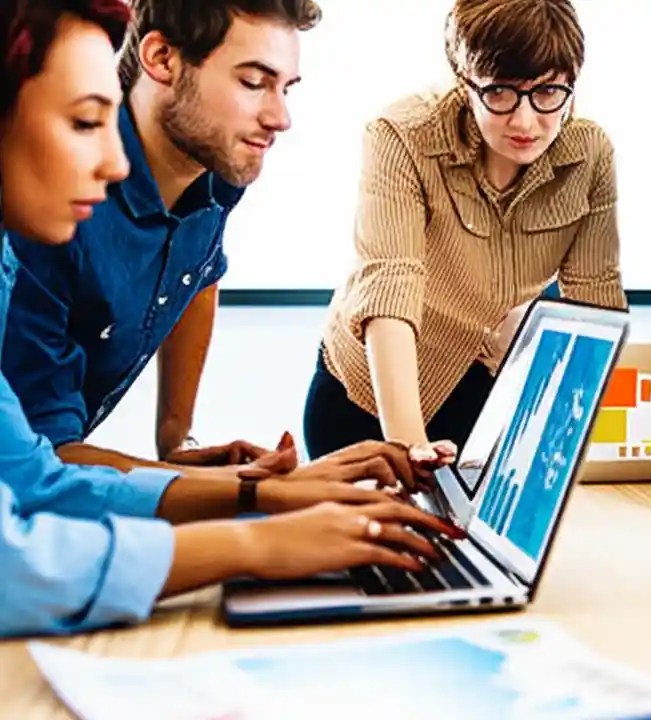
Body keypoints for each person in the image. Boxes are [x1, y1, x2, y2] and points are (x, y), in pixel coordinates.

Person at [0, 0, 462, 638]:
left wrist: (210, 463)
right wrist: (258, 534)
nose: (113, 162)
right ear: (160, 59)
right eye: (85, 121)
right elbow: (22, 546)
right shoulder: (41, 233)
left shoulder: (213, 172)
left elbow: (34, 479)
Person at [0, 0, 351, 478]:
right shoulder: (52, 207)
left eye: (285, 88)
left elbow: (201, 268)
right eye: (253, 83)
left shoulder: (217, 170)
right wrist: (254, 491)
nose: (281, 117)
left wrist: (175, 436)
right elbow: (39, 463)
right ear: (162, 58)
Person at [303, 0, 626, 459]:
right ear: (464, 79)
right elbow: (391, 284)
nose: (525, 121)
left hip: (478, 383)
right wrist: (409, 446)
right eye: (499, 93)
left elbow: (595, 301)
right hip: (371, 391)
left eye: (549, 92)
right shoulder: (403, 134)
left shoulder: (589, 152)